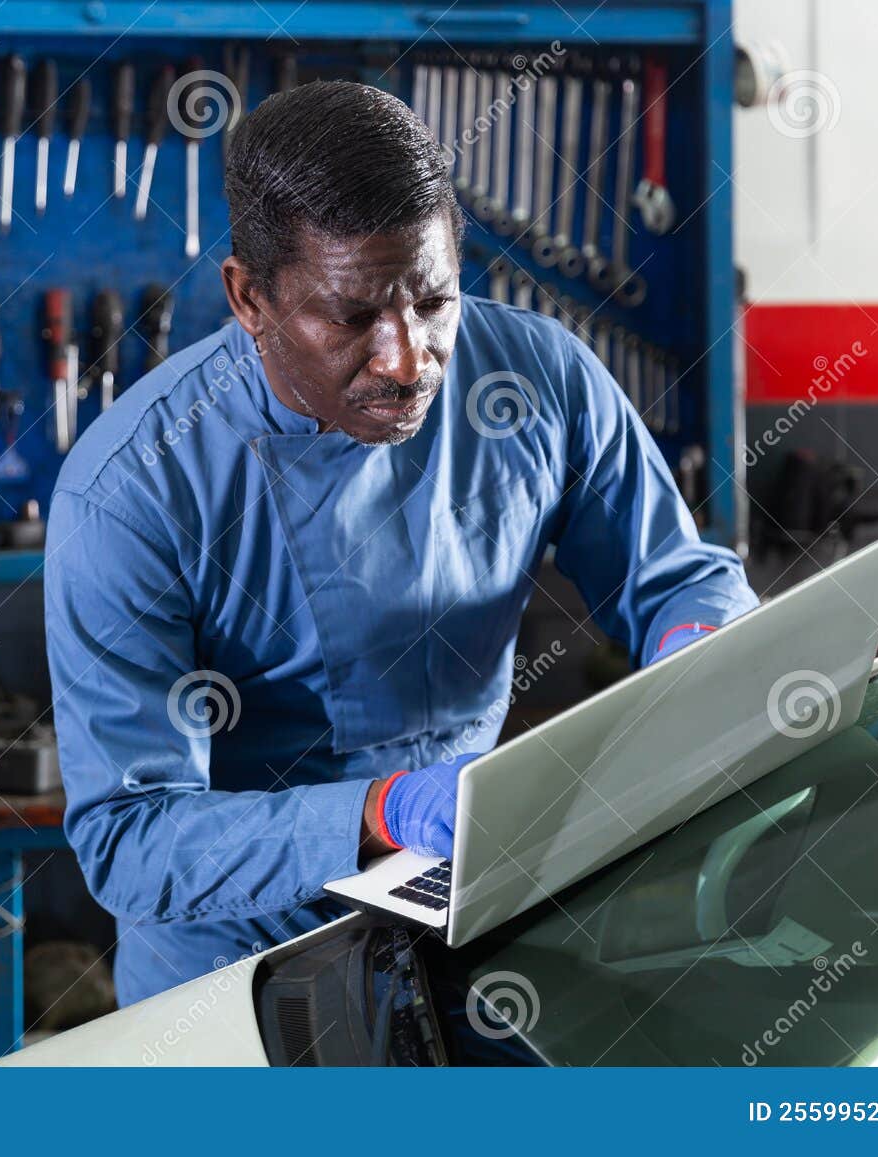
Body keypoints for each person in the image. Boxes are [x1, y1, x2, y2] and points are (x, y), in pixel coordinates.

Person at [45, 80, 758, 1005]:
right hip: (236, 979)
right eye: (350, 318)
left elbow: (677, 577)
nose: (407, 357)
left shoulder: (539, 379)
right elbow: (131, 840)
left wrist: (700, 653)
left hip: (467, 913)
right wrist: (380, 812)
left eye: (432, 300)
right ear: (249, 297)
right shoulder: (133, 489)